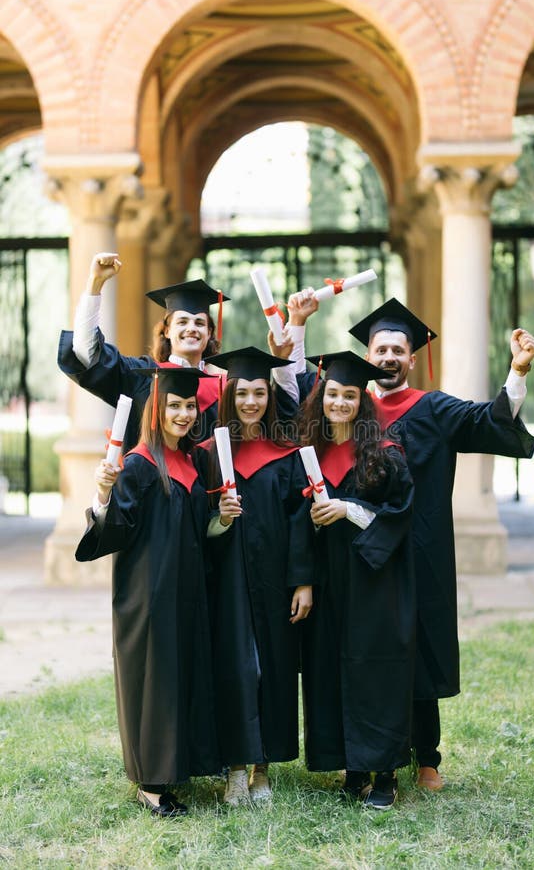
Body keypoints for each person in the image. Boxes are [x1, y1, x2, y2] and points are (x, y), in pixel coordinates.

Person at [276, 293, 534, 791]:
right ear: (368, 356)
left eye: (398, 351)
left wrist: (517, 373)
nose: (389, 359)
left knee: (418, 650)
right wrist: (297, 327)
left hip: (420, 551)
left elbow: (490, 422)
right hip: (357, 557)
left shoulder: (433, 409)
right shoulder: (348, 409)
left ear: (411, 359)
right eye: (381, 350)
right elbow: (296, 402)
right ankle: (368, 755)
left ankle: (426, 757)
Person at [75, 367, 220, 816]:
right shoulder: (139, 464)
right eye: (173, 405)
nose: (182, 413)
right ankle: (150, 784)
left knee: (183, 673)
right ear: (156, 410)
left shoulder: (196, 461)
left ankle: (179, 767)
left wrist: (225, 516)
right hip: (149, 595)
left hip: (189, 590)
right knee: (155, 680)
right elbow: (113, 528)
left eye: (188, 406)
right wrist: (102, 495)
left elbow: (202, 530)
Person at [195, 347, 315, 806]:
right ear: (229, 395)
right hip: (225, 582)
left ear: (269, 396)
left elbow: (301, 521)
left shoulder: (285, 456)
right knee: (235, 669)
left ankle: (263, 767)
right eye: (242, 392)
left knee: (274, 669)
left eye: (259, 392)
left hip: (273, 582)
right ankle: (236, 769)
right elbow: (195, 526)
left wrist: (303, 581)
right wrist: (220, 517)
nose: (250, 401)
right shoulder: (207, 455)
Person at [298, 351, 415, 811]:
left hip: (374, 581)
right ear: (321, 398)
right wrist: (303, 577)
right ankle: (353, 768)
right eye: (333, 394)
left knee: (375, 669)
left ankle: (384, 775)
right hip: (329, 581)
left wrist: (347, 509)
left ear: (361, 402)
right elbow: (296, 521)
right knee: (331, 667)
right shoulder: (312, 452)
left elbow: (400, 515)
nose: (340, 402)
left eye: (350, 395)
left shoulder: (385, 453)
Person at [58, 252, 231, 451]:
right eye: (182, 322)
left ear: (209, 333)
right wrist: (94, 285)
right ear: (167, 330)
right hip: (146, 481)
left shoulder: (223, 389)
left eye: (199, 323)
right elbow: (87, 354)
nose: (191, 328)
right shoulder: (142, 376)